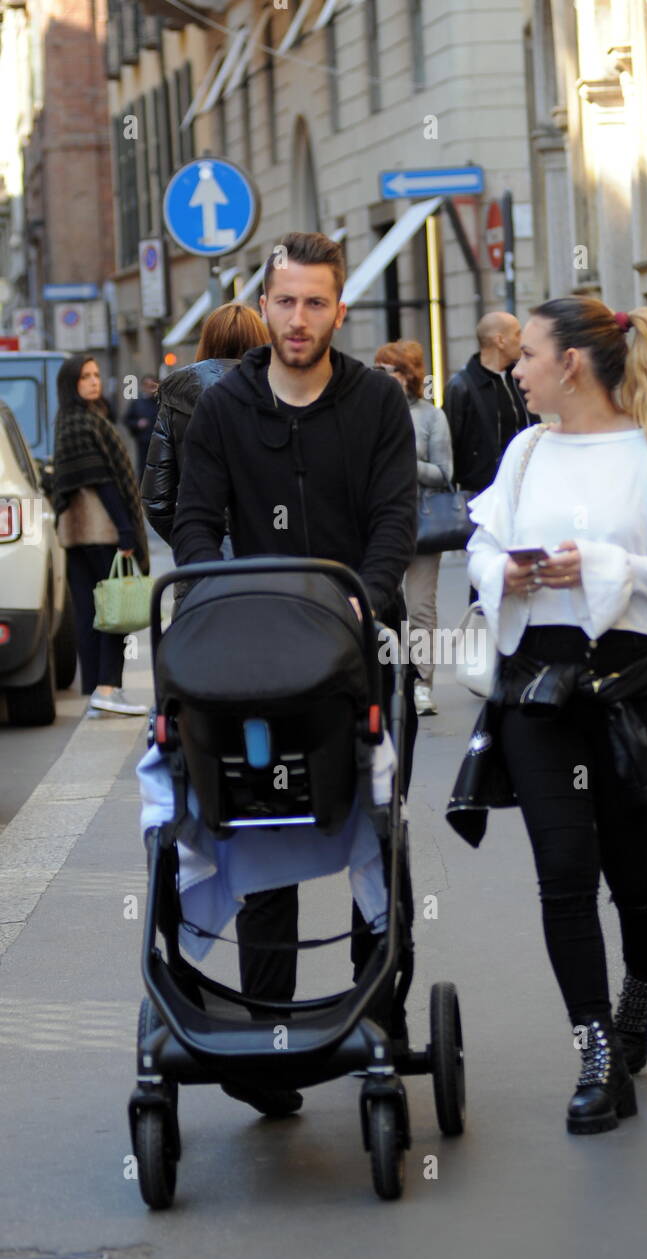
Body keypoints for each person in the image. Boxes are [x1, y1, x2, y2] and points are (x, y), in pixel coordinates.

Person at [465, 297, 647, 1136]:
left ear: (570, 365)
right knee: (564, 878)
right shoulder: (525, 451)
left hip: (633, 695)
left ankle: (638, 995)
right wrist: (499, 574)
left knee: (635, 876)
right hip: (537, 693)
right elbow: (480, 543)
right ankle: (595, 1052)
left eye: (530, 355)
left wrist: (606, 564)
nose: (517, 368)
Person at [171, 231, 418, 1116]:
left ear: (338, 311)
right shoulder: (225, 410)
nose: (300, 318)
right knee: (259, 834)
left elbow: (395, 516)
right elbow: (194, 522)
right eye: (286, 301)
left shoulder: (376, 405)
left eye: (317, 303)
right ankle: (268, 1046)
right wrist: (217, 600)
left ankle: (372, 1019)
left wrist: (370, 597)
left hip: (361, 659)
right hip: (254, 665)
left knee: (379, 841)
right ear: (263, 305)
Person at [52, 354, 150, 717]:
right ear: (71, 384)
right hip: (100, 528)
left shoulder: (68, 420)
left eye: (95, 375)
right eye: (85, 377)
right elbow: (103, 481)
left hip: (75, 533)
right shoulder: (84, 422)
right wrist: (126, 529)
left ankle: (97, 691)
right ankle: (108, 687)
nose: (93, 381)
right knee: (114, 611)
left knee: (90, 613)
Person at [141, 305, 270, 545]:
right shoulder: (282, 392)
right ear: (261, 340)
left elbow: (157, 500)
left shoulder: (177, 397)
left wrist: (194, 545)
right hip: (274, 556)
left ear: (207, 342)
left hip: (205, 557)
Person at [374, 339, 453, 717]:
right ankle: (386, 677)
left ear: (407, 376)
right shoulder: (364, 411)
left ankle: (422, 683)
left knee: (421, 608)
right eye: (377, 370)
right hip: (375, 524)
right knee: (377, 602)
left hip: (419, 523)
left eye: (387, 370)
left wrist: (407, 462)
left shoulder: (431, 417)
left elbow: (444, 474)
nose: (381, 377)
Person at [444, 312, 538, 495]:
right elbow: (449, 446)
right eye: (518, 333)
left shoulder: (522, 378)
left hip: (525, 487)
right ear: (500, 340)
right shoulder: (461, 386)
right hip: (479, 495)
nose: (523, 340)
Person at [123, 375, 159, 482]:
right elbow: (127, 419)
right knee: (143, 466)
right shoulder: (137, 402)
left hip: (159, 440)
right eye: (147, 385)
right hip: (143, 440)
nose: (150, 388)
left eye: (152, 386)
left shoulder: (160, 401)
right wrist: (137, 424)